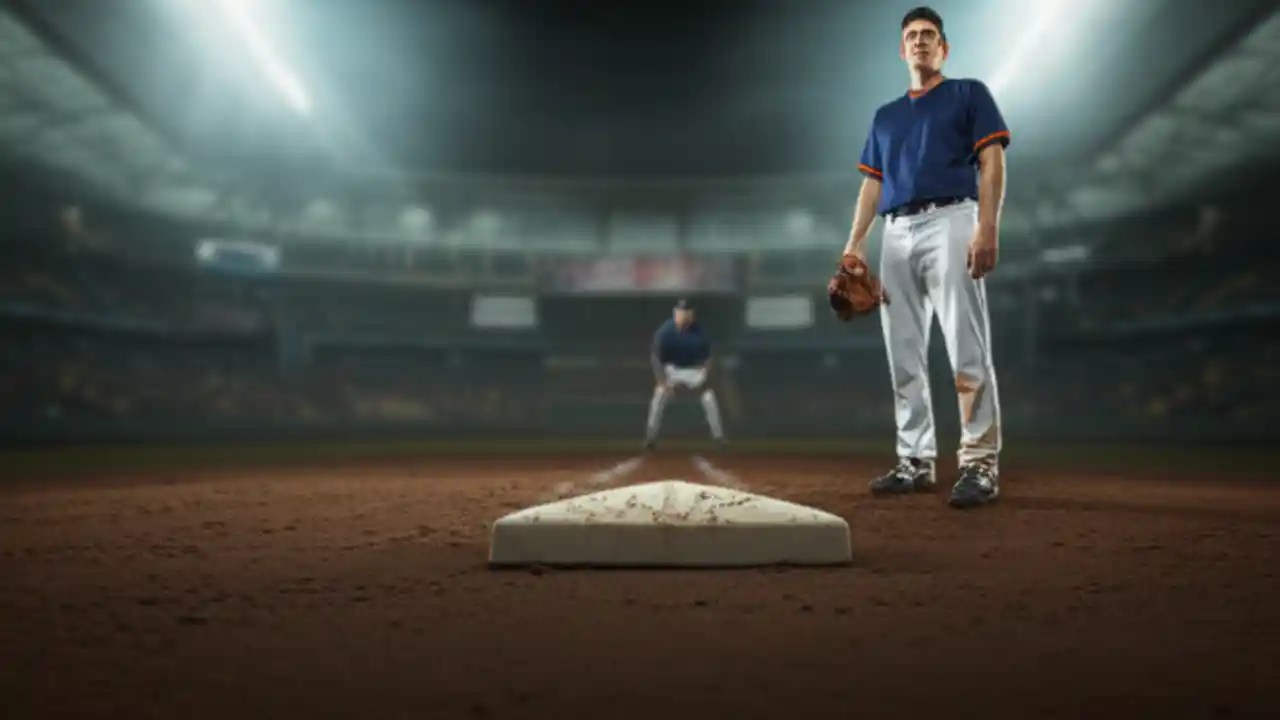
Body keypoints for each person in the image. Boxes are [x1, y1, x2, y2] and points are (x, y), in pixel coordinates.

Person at [844, 6, 1009, 508]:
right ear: (901, 49)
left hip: (952, 220)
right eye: (912, 35)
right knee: (904, 351)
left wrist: (987, 226)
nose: (919, 41)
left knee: (966, 346)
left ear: (944, 48)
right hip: (896, 231)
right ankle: (914, 458)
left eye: (929, 35)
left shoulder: (968, 93)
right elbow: (872, 183)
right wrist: (854, 243)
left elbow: (992, 159)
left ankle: (980, 463)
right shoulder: (885, 116)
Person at [643, 298, 725, 451]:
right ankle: (650, 438)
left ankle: (718, 437)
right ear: (675, 314)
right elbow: (656, 359)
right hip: (671, 370)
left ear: (692, 315)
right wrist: (662, 382)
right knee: (659, 395)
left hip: (694, 371)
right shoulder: (665, 332)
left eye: (687, 313)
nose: (684, 316)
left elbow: (709, 358)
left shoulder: (701, 331)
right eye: (680, 313)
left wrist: (705, 379)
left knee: (709, 397)